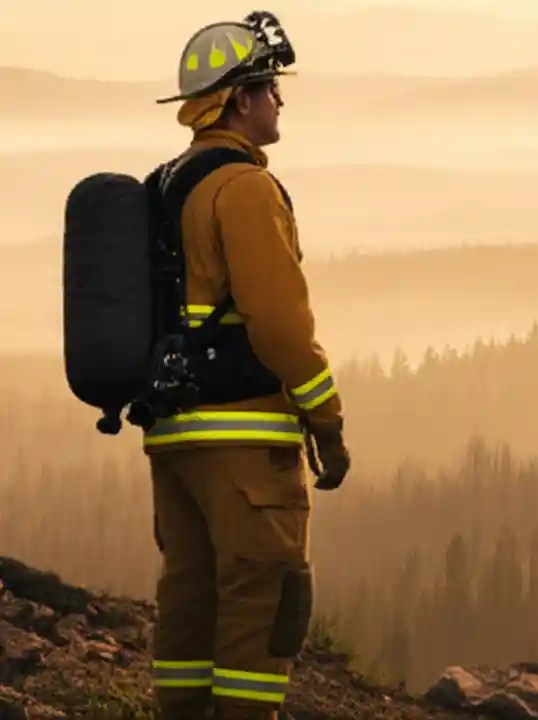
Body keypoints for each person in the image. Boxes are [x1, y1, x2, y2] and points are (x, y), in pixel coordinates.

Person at [146, 13, 350, 719]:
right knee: (266, 596)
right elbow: (281, 325)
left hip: (174, 437)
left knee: (191, 595)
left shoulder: (167, 185)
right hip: (243, 438)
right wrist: (325, 418)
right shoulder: (244, 189)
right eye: (268, 87)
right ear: (238, 99)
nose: (279, 102)